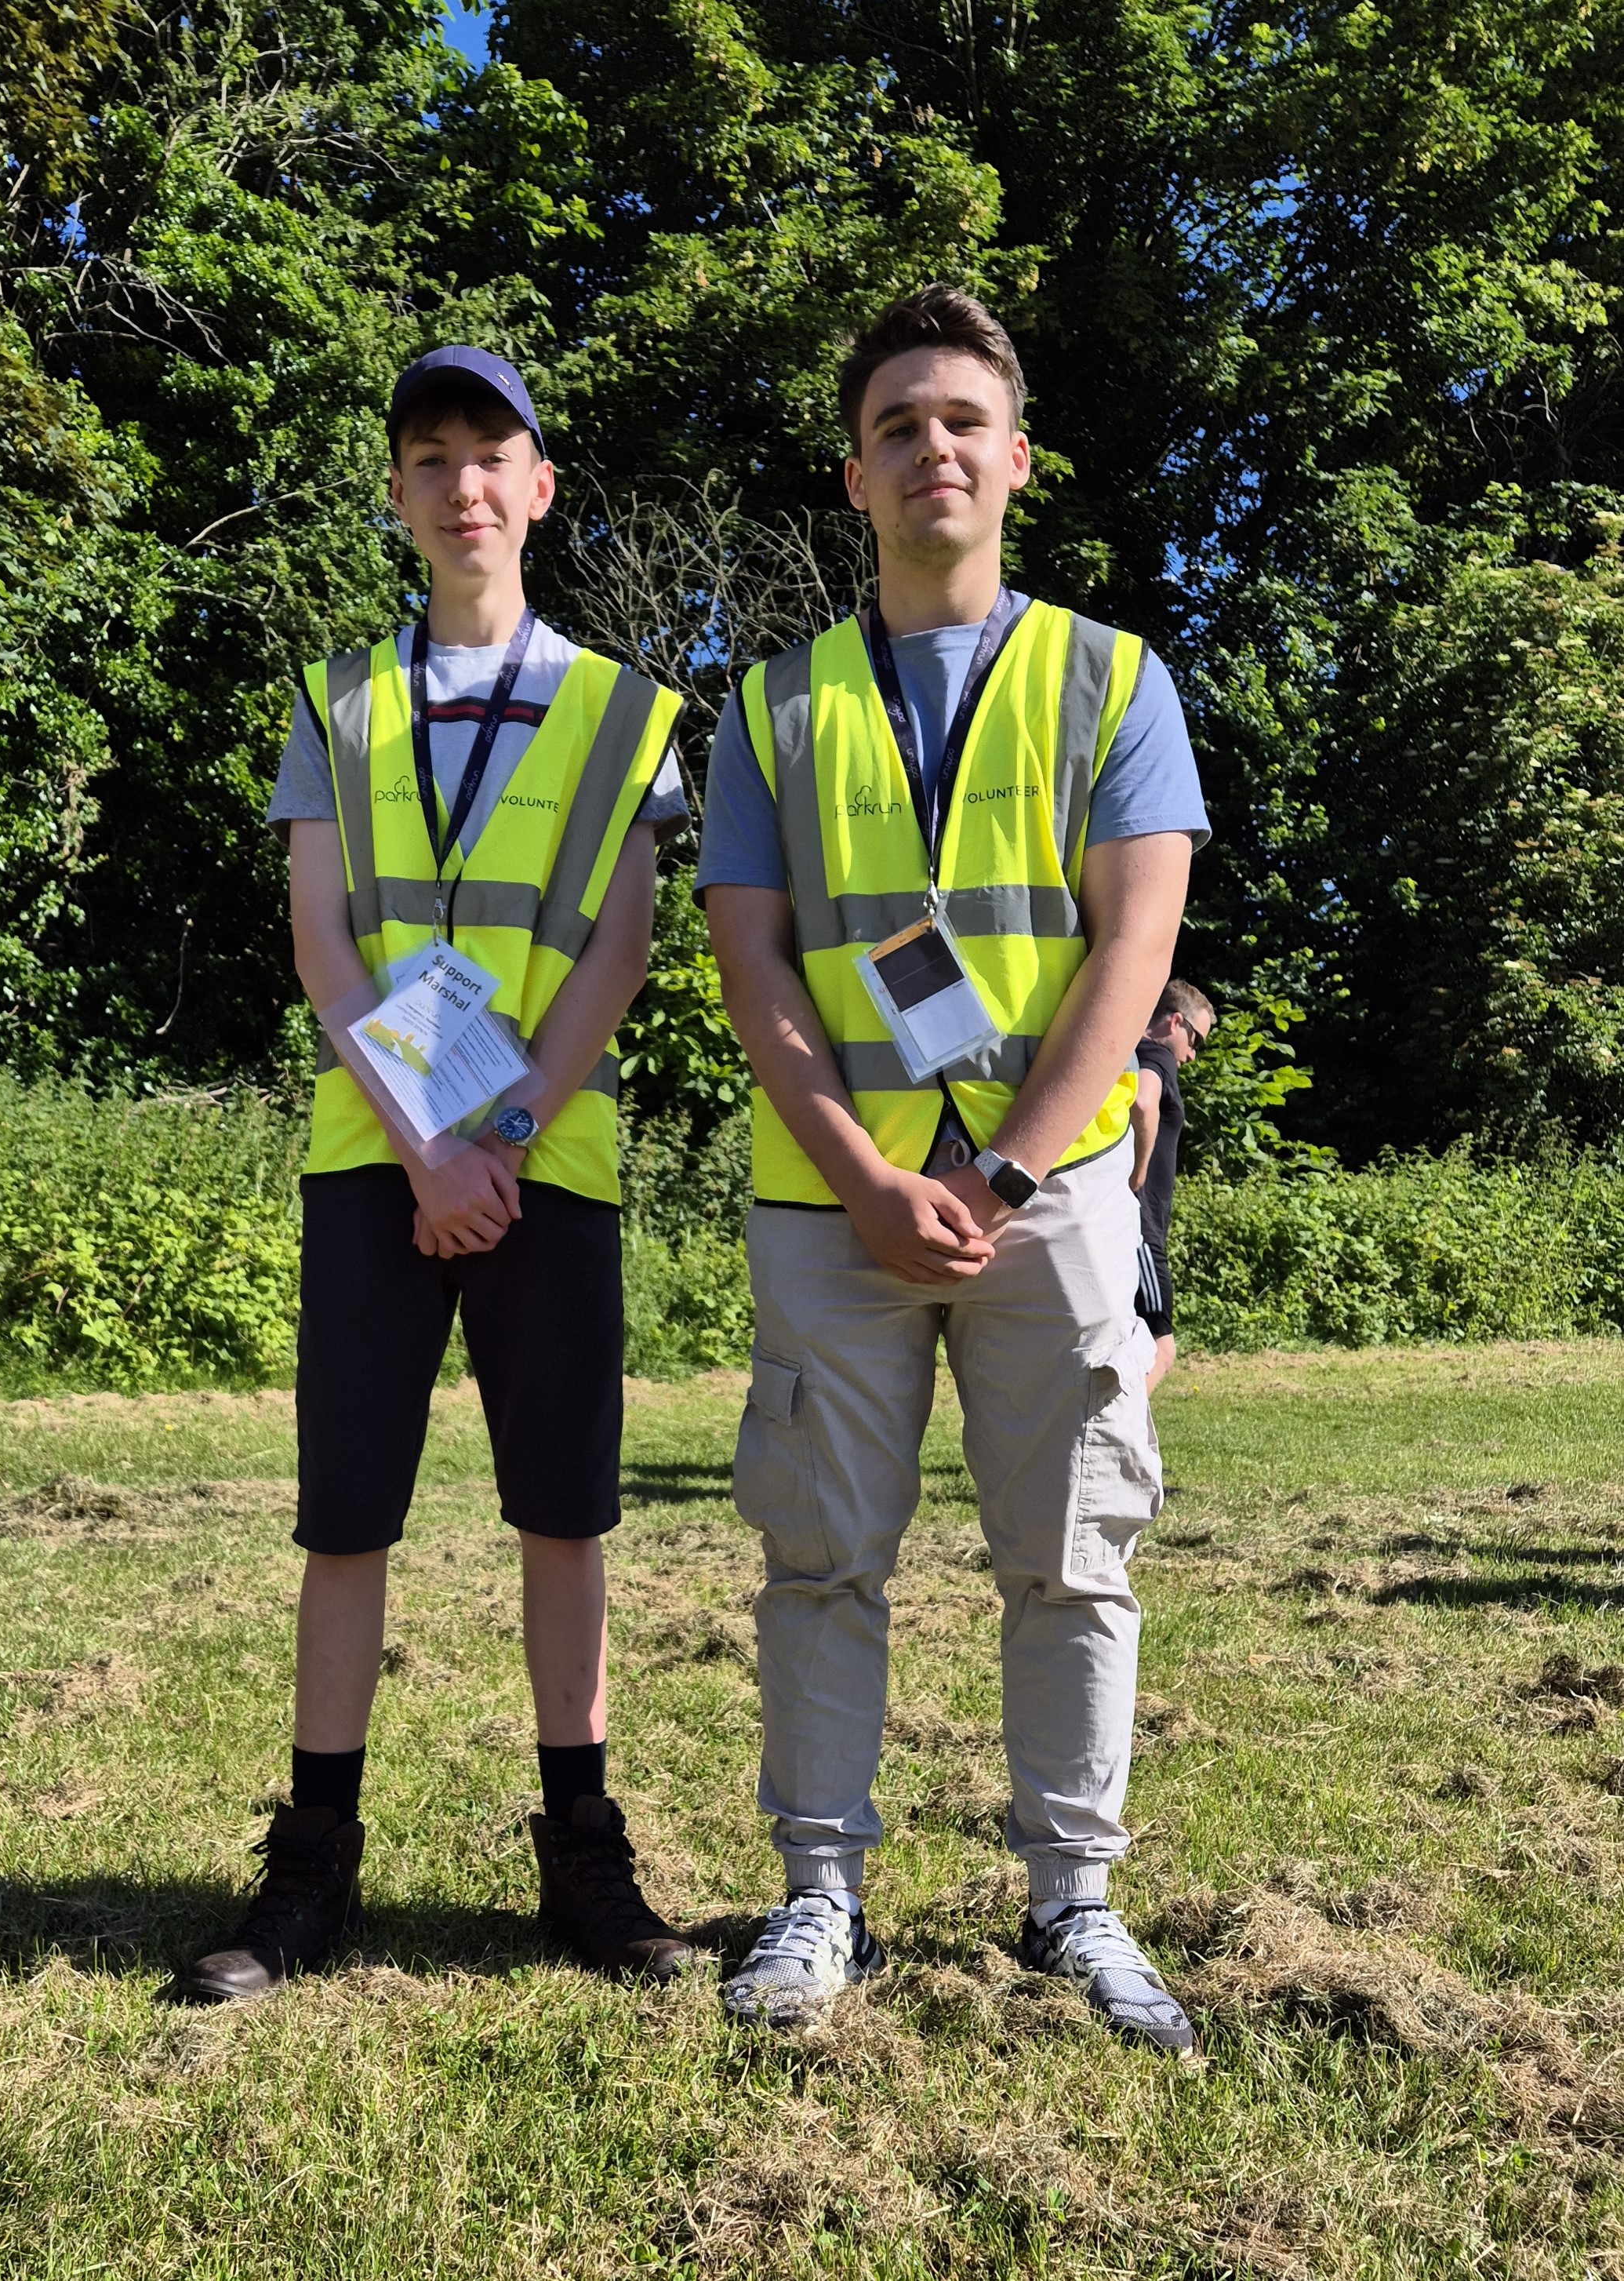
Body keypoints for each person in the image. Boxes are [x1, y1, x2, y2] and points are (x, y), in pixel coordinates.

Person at [698, 286, 1211, 2051]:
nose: (934, 446)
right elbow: (751, 964)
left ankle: (1074, 1897)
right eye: (899, 423)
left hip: (1045, 1199)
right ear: (856, 476)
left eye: (962, 420)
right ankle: (816, 1890)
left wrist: (987, 1179)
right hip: (825, 1202)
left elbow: (1129, 958)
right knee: (819, 1557)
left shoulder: (1114, 678)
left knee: (1071, 1557)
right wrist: (858, 1173)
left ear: (1014, 459)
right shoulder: (771, 706)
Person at [180, 346, 695, 2003]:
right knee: (347, 1518)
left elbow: (620, 945)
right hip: (373, 1159)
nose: (461, 480)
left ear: (540, 486)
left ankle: (585, 1855)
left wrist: (506, 1135)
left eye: (492, 451)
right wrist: (424, 1142)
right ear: (398, 495)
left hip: (553, 1162)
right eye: (428, 455)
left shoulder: (630, 709)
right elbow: (321, 943)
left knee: (565, 1516)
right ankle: (310, 1867)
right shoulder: (334, 698)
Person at [1130, 980, 1215, 1392]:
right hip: (1141, 1232)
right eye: (1195, 1039)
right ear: (1174, 1021)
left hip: (1129, 1225)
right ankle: (1110, 1450)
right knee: (1160, 1348)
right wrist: (1139, 1173)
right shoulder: (1158, 1057)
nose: (1193, 1054)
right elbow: (1143, 1102)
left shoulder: (1125, 1054)